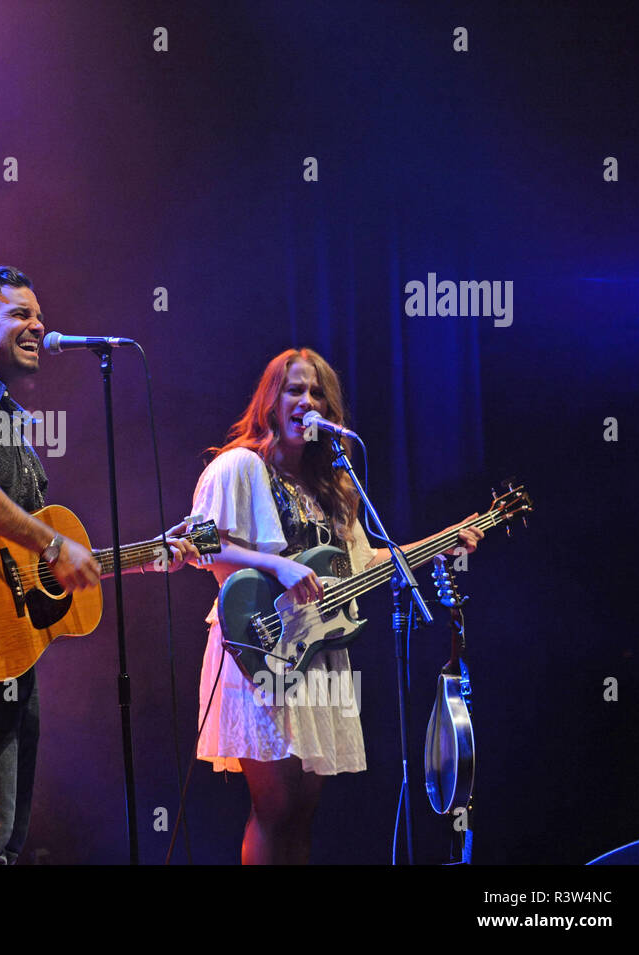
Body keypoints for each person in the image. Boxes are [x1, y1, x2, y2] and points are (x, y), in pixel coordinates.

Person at [0, 265, 197, 864]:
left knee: (0, 842)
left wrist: (145, 556)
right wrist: (54, 545)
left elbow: (31, 563)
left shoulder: (4, 412)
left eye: (40, 315)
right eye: (22, 315)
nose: (40, 325)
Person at [190, 347, 483, 864]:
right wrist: (277, 565)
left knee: (304, 808)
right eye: (295, 390)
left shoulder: (335, 484)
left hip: (316, 650)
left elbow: (364, 561)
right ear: (271, 402)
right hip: (258, 644)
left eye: (318, 392)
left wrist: (446, 539)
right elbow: (202, 544)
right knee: (275, 806)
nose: (307, 401)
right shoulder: (239, 466)